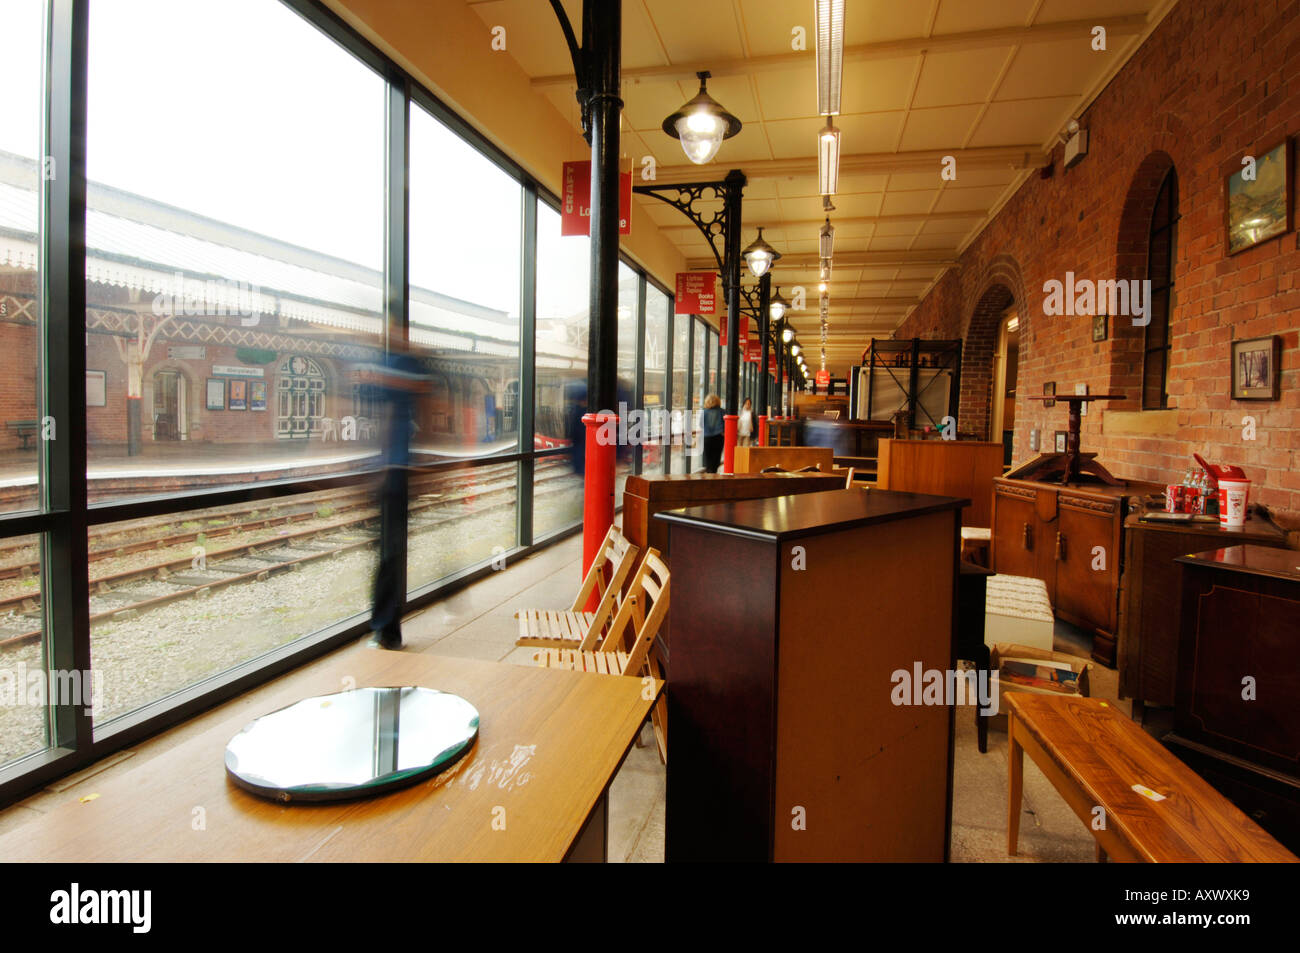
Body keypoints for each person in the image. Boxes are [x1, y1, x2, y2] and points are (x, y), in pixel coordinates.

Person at [700, 394, 724, 473]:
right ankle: (714, 473)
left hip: (707, 437)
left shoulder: (704, 412)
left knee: (708, 458)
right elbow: (725, 424)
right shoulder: (721, 411)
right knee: (716, 458)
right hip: (718, 437)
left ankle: (709, 474)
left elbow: (701, 424)